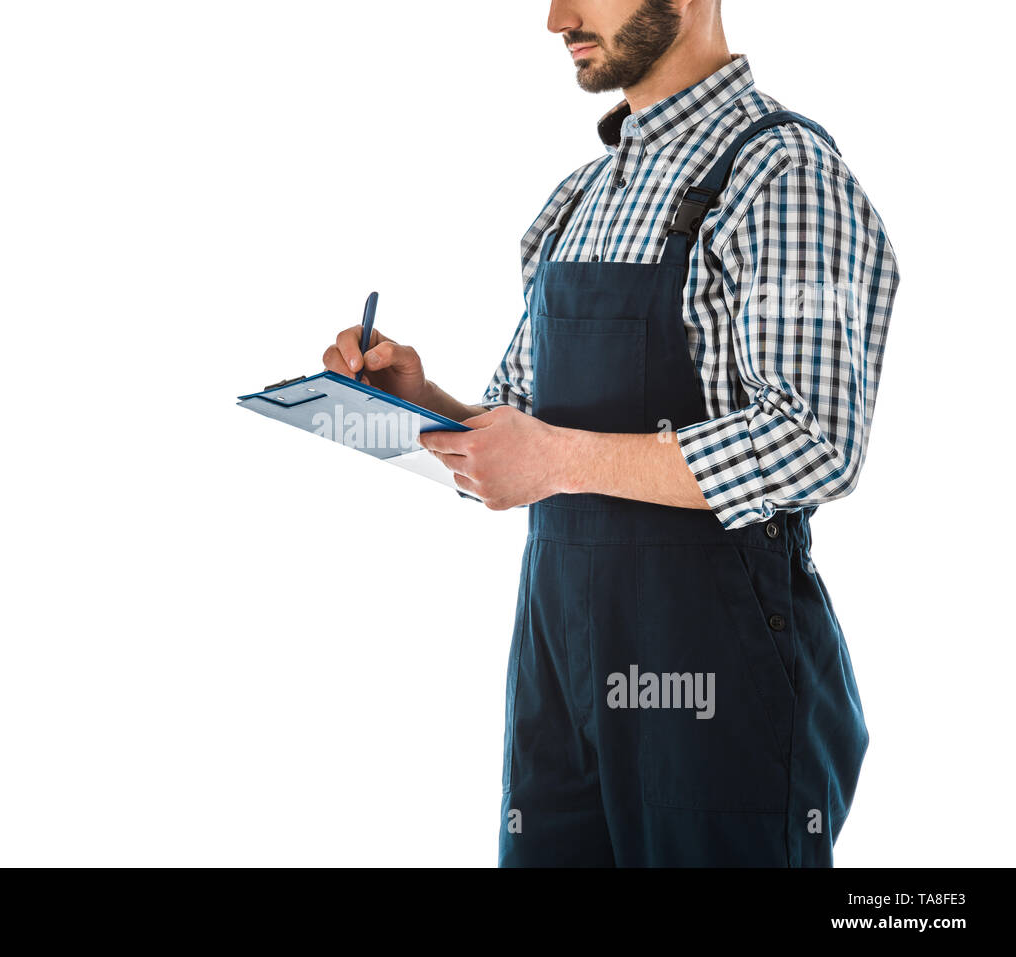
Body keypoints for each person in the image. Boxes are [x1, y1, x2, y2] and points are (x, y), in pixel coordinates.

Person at [322, 0, 898, 866]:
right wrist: (420, 397)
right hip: (559, 680)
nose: (556, 17)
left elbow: (814, 439)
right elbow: (519, 430)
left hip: (716, 697)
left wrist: (550, 456)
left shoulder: (781, 174)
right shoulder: (580, 198)